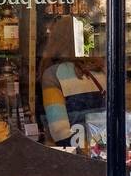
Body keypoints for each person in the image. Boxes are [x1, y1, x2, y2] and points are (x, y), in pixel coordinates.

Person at [39, 15, 107, 146]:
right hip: (103, 150)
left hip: (77, 153)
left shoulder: (53, 75)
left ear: (56, 40)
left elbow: (59, 131)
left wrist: (82, 151)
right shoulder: (101, 71)